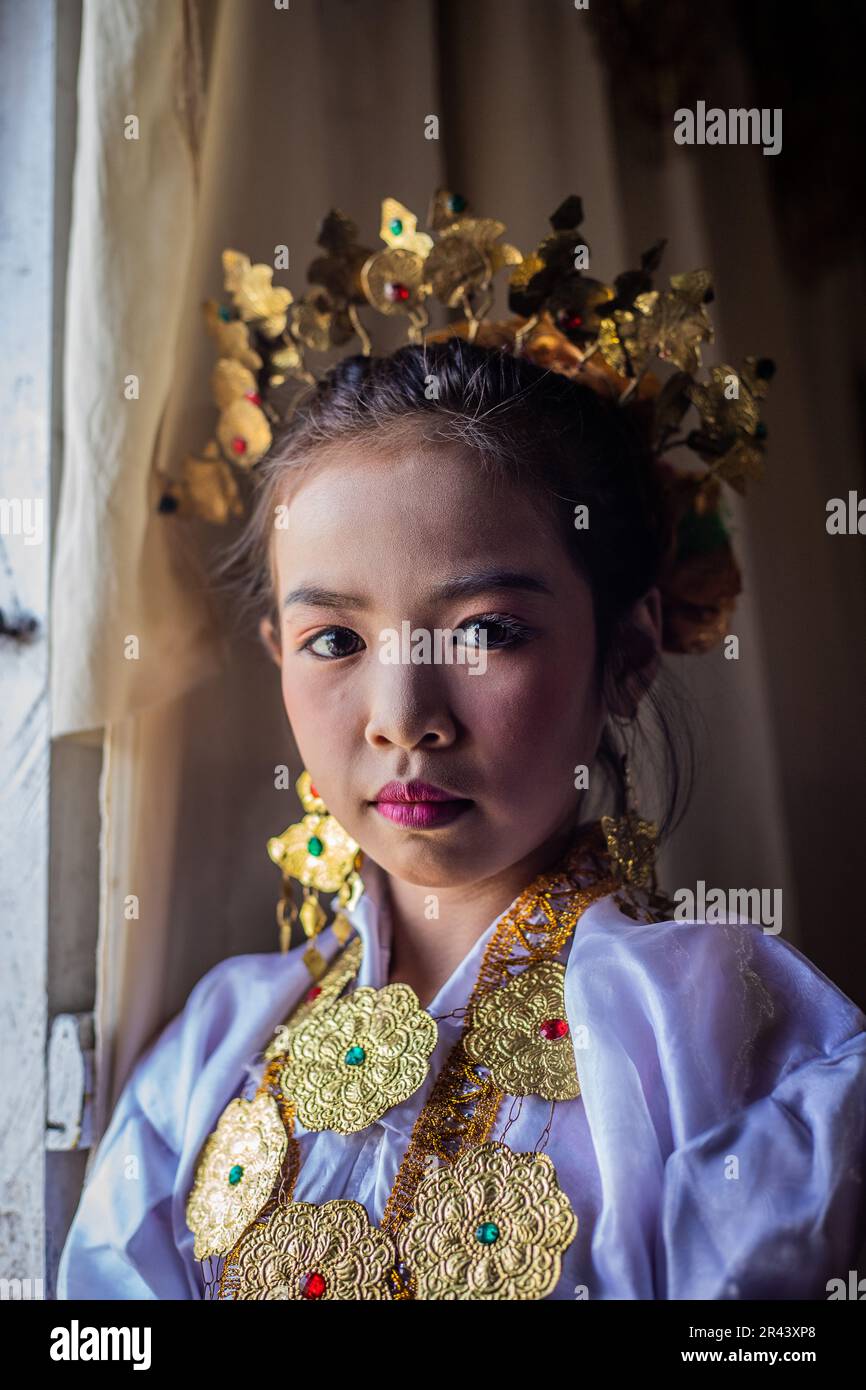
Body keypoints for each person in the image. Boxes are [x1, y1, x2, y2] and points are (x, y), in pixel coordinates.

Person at [57, 200, 866, 1300]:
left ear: (624, 653)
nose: (401, 715)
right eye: (333, 638)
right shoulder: (214, 1044)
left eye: (485, 630)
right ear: (275, 656)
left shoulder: (713, 1029)